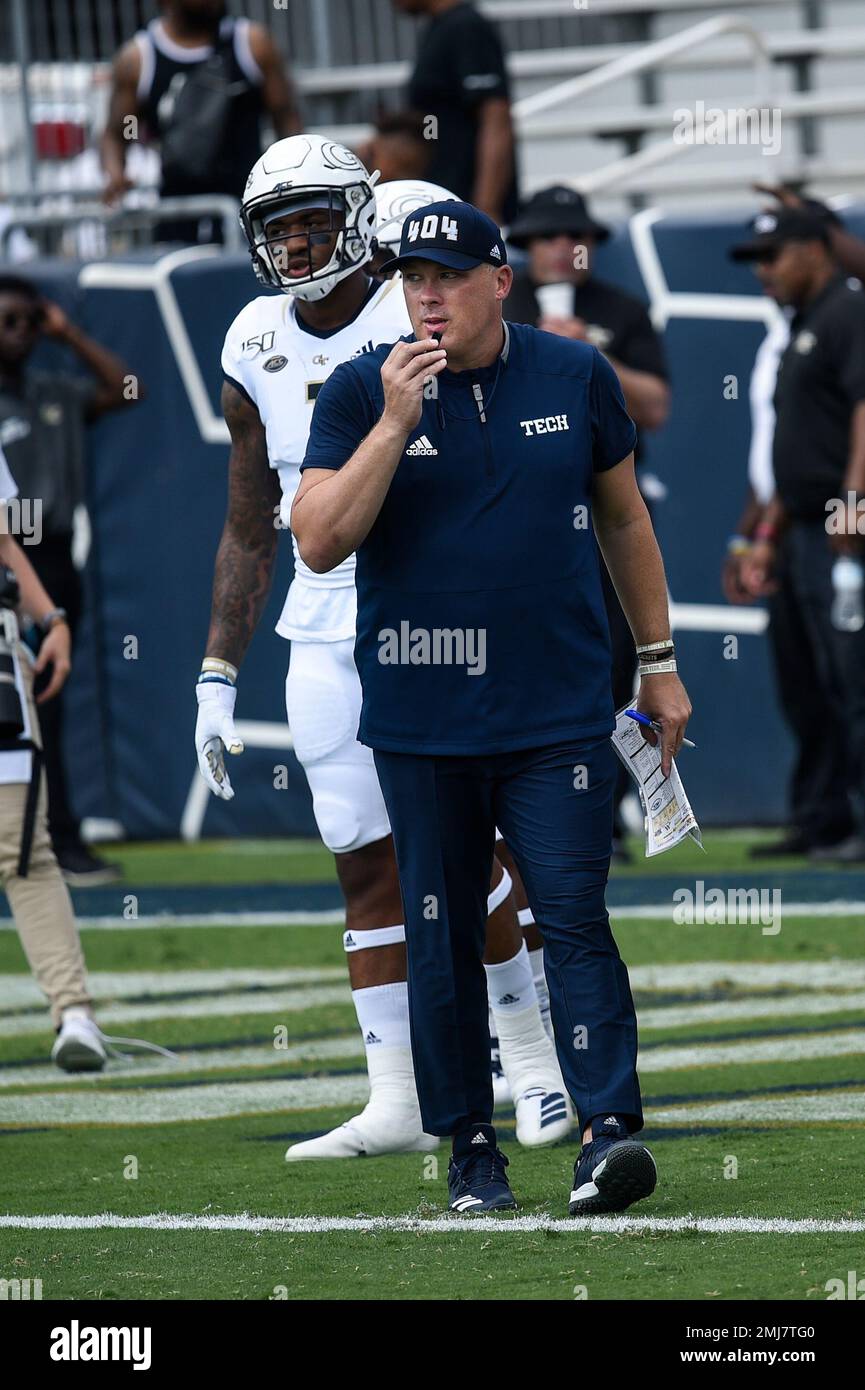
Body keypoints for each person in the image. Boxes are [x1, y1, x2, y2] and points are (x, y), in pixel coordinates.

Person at [292, 200, 692, 1214]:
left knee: (573, 915)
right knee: (441, 931)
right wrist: (392, 423)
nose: (426, 297)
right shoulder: (355, 390)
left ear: (498, 282)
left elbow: (623, 515)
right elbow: (318, 540)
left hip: (557, 706)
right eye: (411, 279)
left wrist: (658, 661)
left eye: (446, 277)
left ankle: (607, 1136)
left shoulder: (573, 373)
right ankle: (471, 1150)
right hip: (423, 717)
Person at [195, 138, 571, 1162]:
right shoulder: (250, 339)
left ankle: (531, 1060)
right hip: (318, 626)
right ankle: (395, 1094)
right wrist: (217, 673)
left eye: (317, 218)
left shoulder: (416, 299)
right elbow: (247, 519)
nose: (300, 241)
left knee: (456, 849)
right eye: (281, 227)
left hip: (425, 609)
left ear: (362, 214)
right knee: (363, 863)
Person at [506, 185, 671, 860]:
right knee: (518, 653)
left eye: (568, 235)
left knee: (605, 658)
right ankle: (517, 819)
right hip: (517, 508)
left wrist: (587, 356)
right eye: (542, 236)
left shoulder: (621, 311)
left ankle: (602, 815)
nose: (556, 247)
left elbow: (656, 406)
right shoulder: (497, 304)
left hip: (605, 506)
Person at [724, 190, 865, 858]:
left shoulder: (848, 308)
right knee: (812, 680)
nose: (762, 270)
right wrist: (764, 534)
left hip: (844, 527)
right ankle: (824, 817)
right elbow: (792, 446)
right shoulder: (800, 323)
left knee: (853, 677)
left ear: (814, 248)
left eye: (772, 255)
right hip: (803, 526)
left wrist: (852, 498)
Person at [0, 275, 141, 884]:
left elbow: (127, 387)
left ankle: (56, 838)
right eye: (7, 320)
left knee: (46, 708)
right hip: (7, 551)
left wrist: (68, 333)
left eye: (29, 321)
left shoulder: (53, 388)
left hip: (50, 562)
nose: (20, 332)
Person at [101, 0, 301, 242]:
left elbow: (286, 119)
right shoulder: (138, 59)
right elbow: (120, 132)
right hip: (177, 214)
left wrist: (295, 175)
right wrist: (116, 172)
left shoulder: (252, 44)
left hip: (249, 209)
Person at [392, 0, 518, 224]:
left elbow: (497, 119)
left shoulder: (466, 26)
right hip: (445, 206)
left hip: (466, 211)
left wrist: (486, 210)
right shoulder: (439, 27)